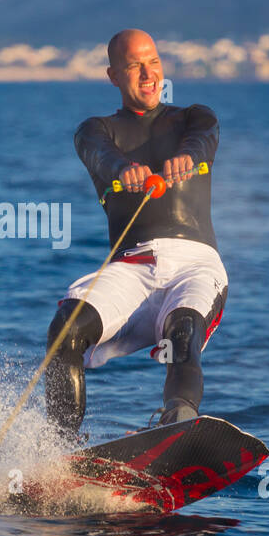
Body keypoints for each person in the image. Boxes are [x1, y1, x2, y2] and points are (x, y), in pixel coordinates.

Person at [44, 29, 228, 442]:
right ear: (113, 75)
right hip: (133, 266)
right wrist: (122, 169)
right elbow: (98, 153)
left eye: (154, 62)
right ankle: (58, 450)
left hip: (194, 264)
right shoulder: (96, 130)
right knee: (66, 331)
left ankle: (177, 426)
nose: (148, 74)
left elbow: (203, 139)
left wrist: (186, 157)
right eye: (133, 66)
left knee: (182, 334)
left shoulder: (194, 119)